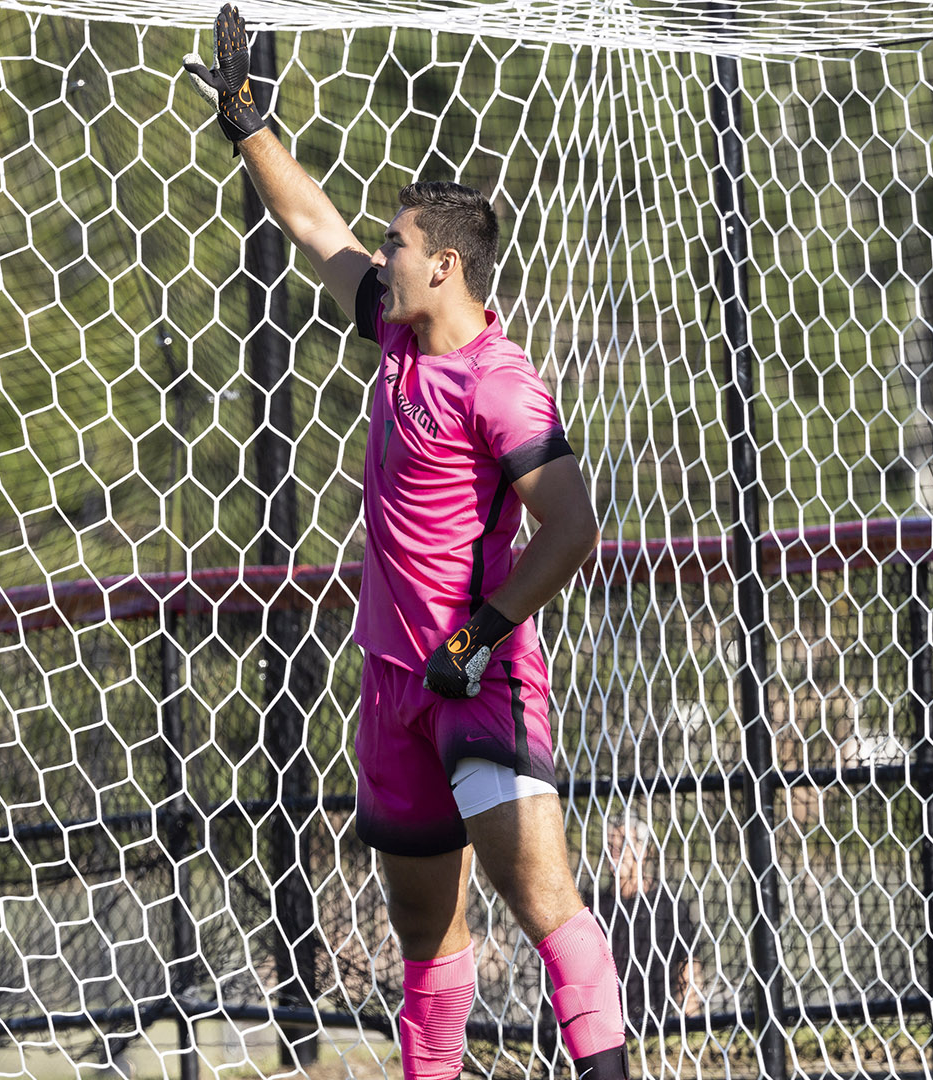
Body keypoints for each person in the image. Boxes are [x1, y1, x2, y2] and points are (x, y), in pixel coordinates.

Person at [182, 10, 626, 1080]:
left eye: (399, 244)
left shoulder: (501, 382)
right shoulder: (392, 326)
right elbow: (316, 229)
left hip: (479, 676)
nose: (380, 254)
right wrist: (250, 128)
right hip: (392, 684)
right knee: (426, 943)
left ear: (445, 270)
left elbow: (570, 526)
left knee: (547, 905)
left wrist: (480, 633)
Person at [591, 815, 703, 1024]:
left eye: (623, 843)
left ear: (644, 851)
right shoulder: (594, 907)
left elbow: (688, 969)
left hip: (658, 1022)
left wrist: (690, 1024)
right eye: (610, 844)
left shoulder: (669, 907)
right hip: (607, 1022)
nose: (614, 850)